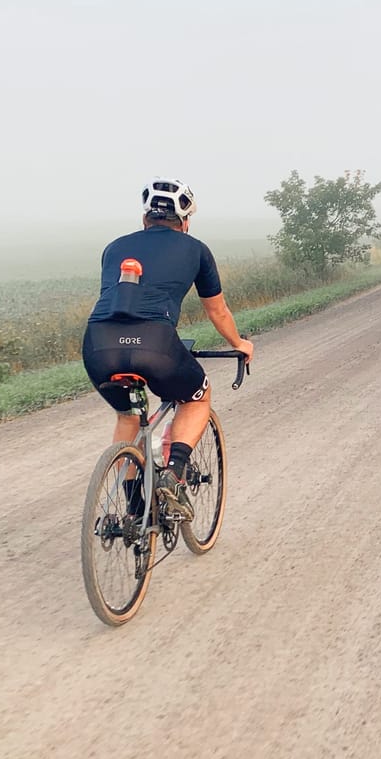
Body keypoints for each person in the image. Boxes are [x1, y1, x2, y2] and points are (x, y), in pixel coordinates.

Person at [83, 179, 253, 519]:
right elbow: (216, 310)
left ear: (146, 219)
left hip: (99, 344)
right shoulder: (196, 249)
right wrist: (239, 344)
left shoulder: (115, 247)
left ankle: (134, 508)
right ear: (185, 222)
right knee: (197, 397)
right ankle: (174, 474)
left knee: (128, 415)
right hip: (155, 343)